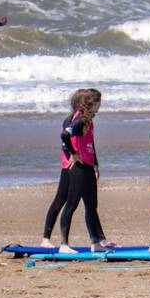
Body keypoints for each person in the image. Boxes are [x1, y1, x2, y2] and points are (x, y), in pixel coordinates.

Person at [44, 88, 111, 251]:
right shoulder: (79, 120)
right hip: (79, 168)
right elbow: (65, 136)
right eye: (99, 103)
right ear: (93, 103)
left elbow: (90, 144)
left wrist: (95, 164)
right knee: (71, 204)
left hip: (87, 166)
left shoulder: (88, 120)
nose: (100, 106)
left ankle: (95, 243)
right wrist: (73, 154)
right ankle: (64, 244)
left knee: (91, 205)